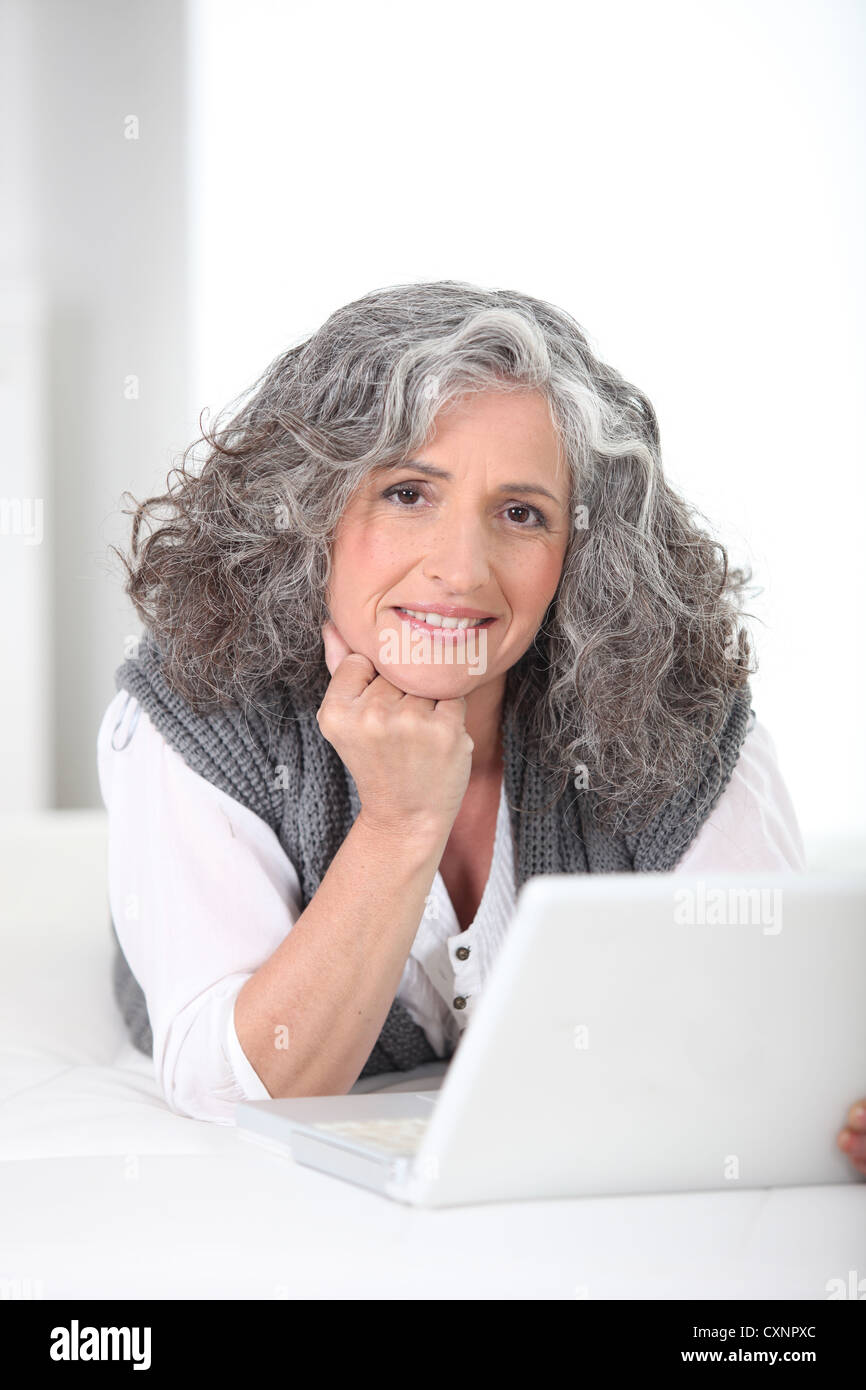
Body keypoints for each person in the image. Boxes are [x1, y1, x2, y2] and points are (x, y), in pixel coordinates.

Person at [96, 280, 864, 1176]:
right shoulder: (198, 700)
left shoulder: (675, 710)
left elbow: (780, 1028)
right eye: (409, 493)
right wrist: (399, 822)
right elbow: (235, 1084)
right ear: (311, 509)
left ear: (581, 550)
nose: (460, 570)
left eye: (520, 513)